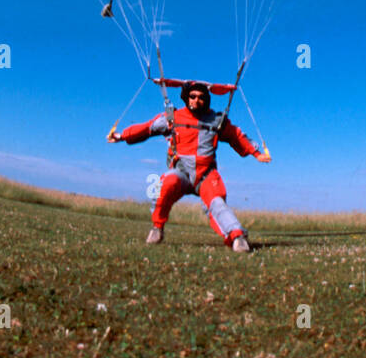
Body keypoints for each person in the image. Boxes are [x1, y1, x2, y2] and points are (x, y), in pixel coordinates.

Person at [107, 81, 270, 252]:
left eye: (201, 97)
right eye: (192, 97)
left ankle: (237, 237)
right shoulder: (173, 118)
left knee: (217, 202)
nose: (196, 101)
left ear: (206, 99)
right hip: (181, 172)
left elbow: (237, 136)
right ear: (186, 98)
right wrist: (121, 136)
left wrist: (256, 153)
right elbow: (147, 128)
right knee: (166, 184)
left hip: (205, 174)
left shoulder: (217, 120)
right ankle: (157, 227)